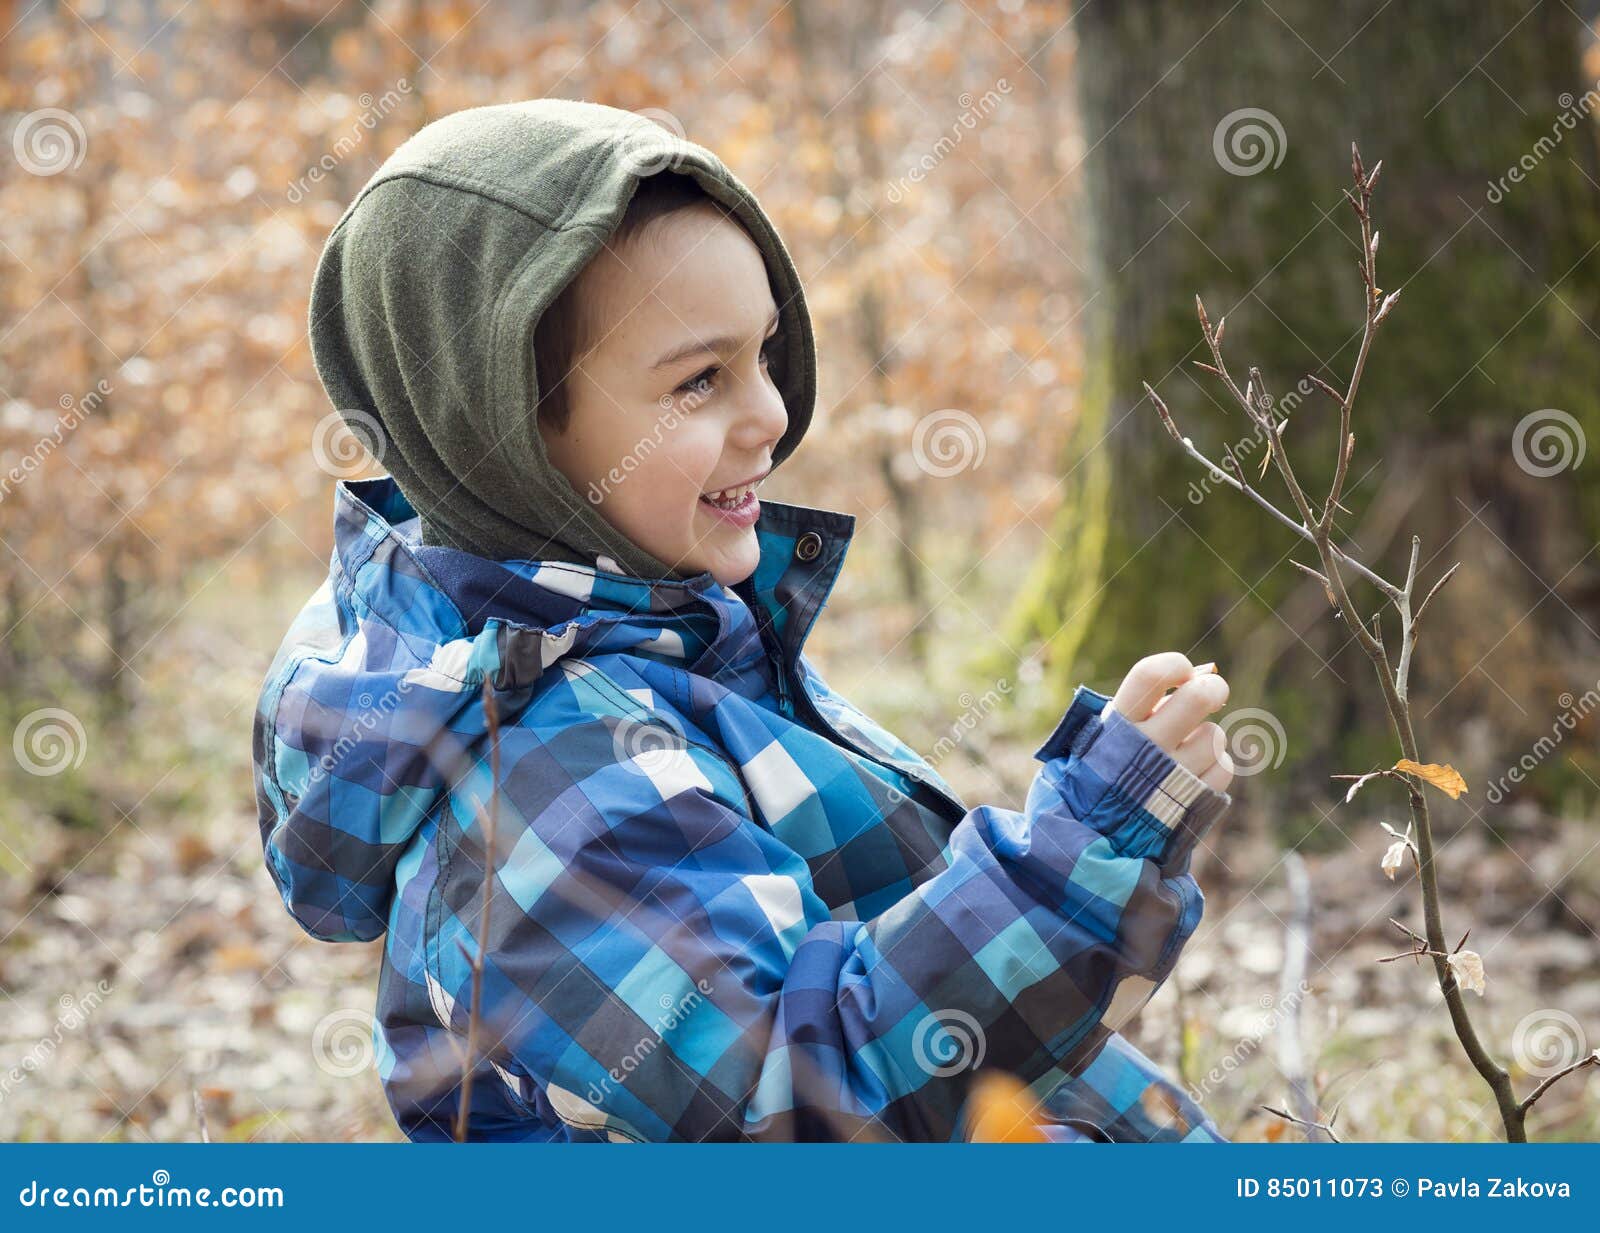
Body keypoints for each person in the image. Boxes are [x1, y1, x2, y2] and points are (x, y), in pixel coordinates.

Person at [252, 98, 1235, 1142]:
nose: (770, 413)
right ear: (509, 439)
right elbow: (801, 1107)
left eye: (765, 353)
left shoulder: (647, 636)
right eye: (699, 380)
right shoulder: (541, 770)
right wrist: (1075, 862)